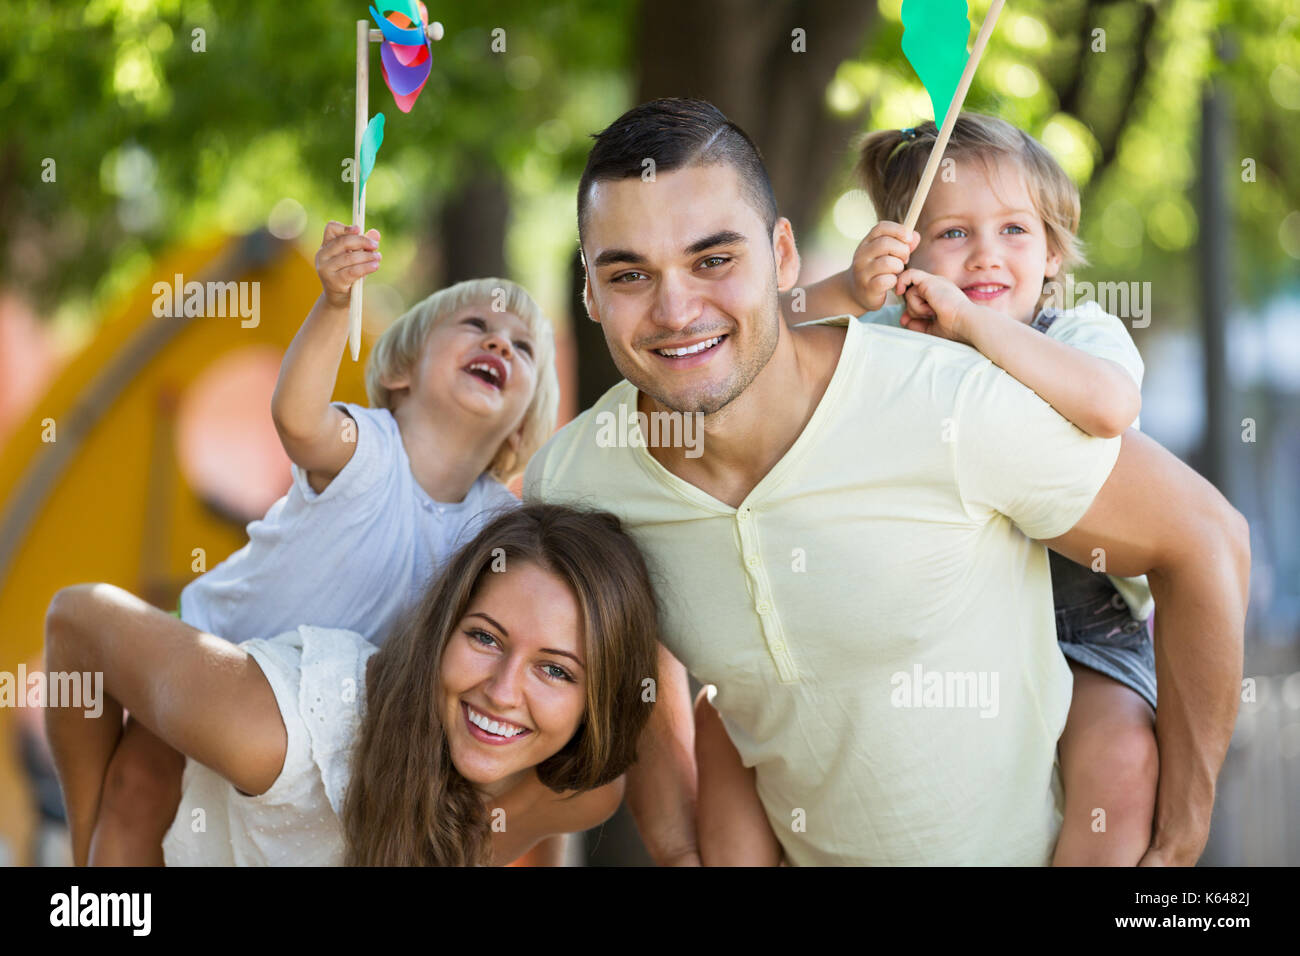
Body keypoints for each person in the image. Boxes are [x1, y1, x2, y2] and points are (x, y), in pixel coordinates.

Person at [525, 97, 1250, 866]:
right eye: (631, 273)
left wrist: (1180, 837)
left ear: (782, 255)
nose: (676, 310)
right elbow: (627, 671)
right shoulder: (575, 482)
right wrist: (675, 847)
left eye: (714, 260)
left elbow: (1207, 539)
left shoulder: (952, 398)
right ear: (591, 294)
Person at [695, 113, 1162, 865]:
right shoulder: (889, 332)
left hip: (1077, 623)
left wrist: (973, 323)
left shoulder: (1077, 332)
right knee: (729, 718)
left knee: (1124, 762)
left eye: (1015, 230)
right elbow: (756, 347)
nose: (987, 253)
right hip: (927, 626)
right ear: (906, 247)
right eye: (953, 234)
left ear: (1052, 254)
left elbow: (1109, 406)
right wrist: (845, 289)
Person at [85, 221, 559, 864]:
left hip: (310, 724)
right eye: (476, 327)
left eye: (523, 348)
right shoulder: (366, 448)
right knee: (136, 794)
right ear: (400, 372)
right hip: (210, 658)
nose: (499, 343)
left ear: (525, 421)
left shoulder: (497, 525)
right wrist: (336, 303)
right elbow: (298, 417)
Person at [44, 504, 659, 866]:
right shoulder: (273, 735)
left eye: (555, 670)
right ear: (442, 628)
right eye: (485, 638)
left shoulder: (579, 792)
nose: (501, 692)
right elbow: (76, 619)